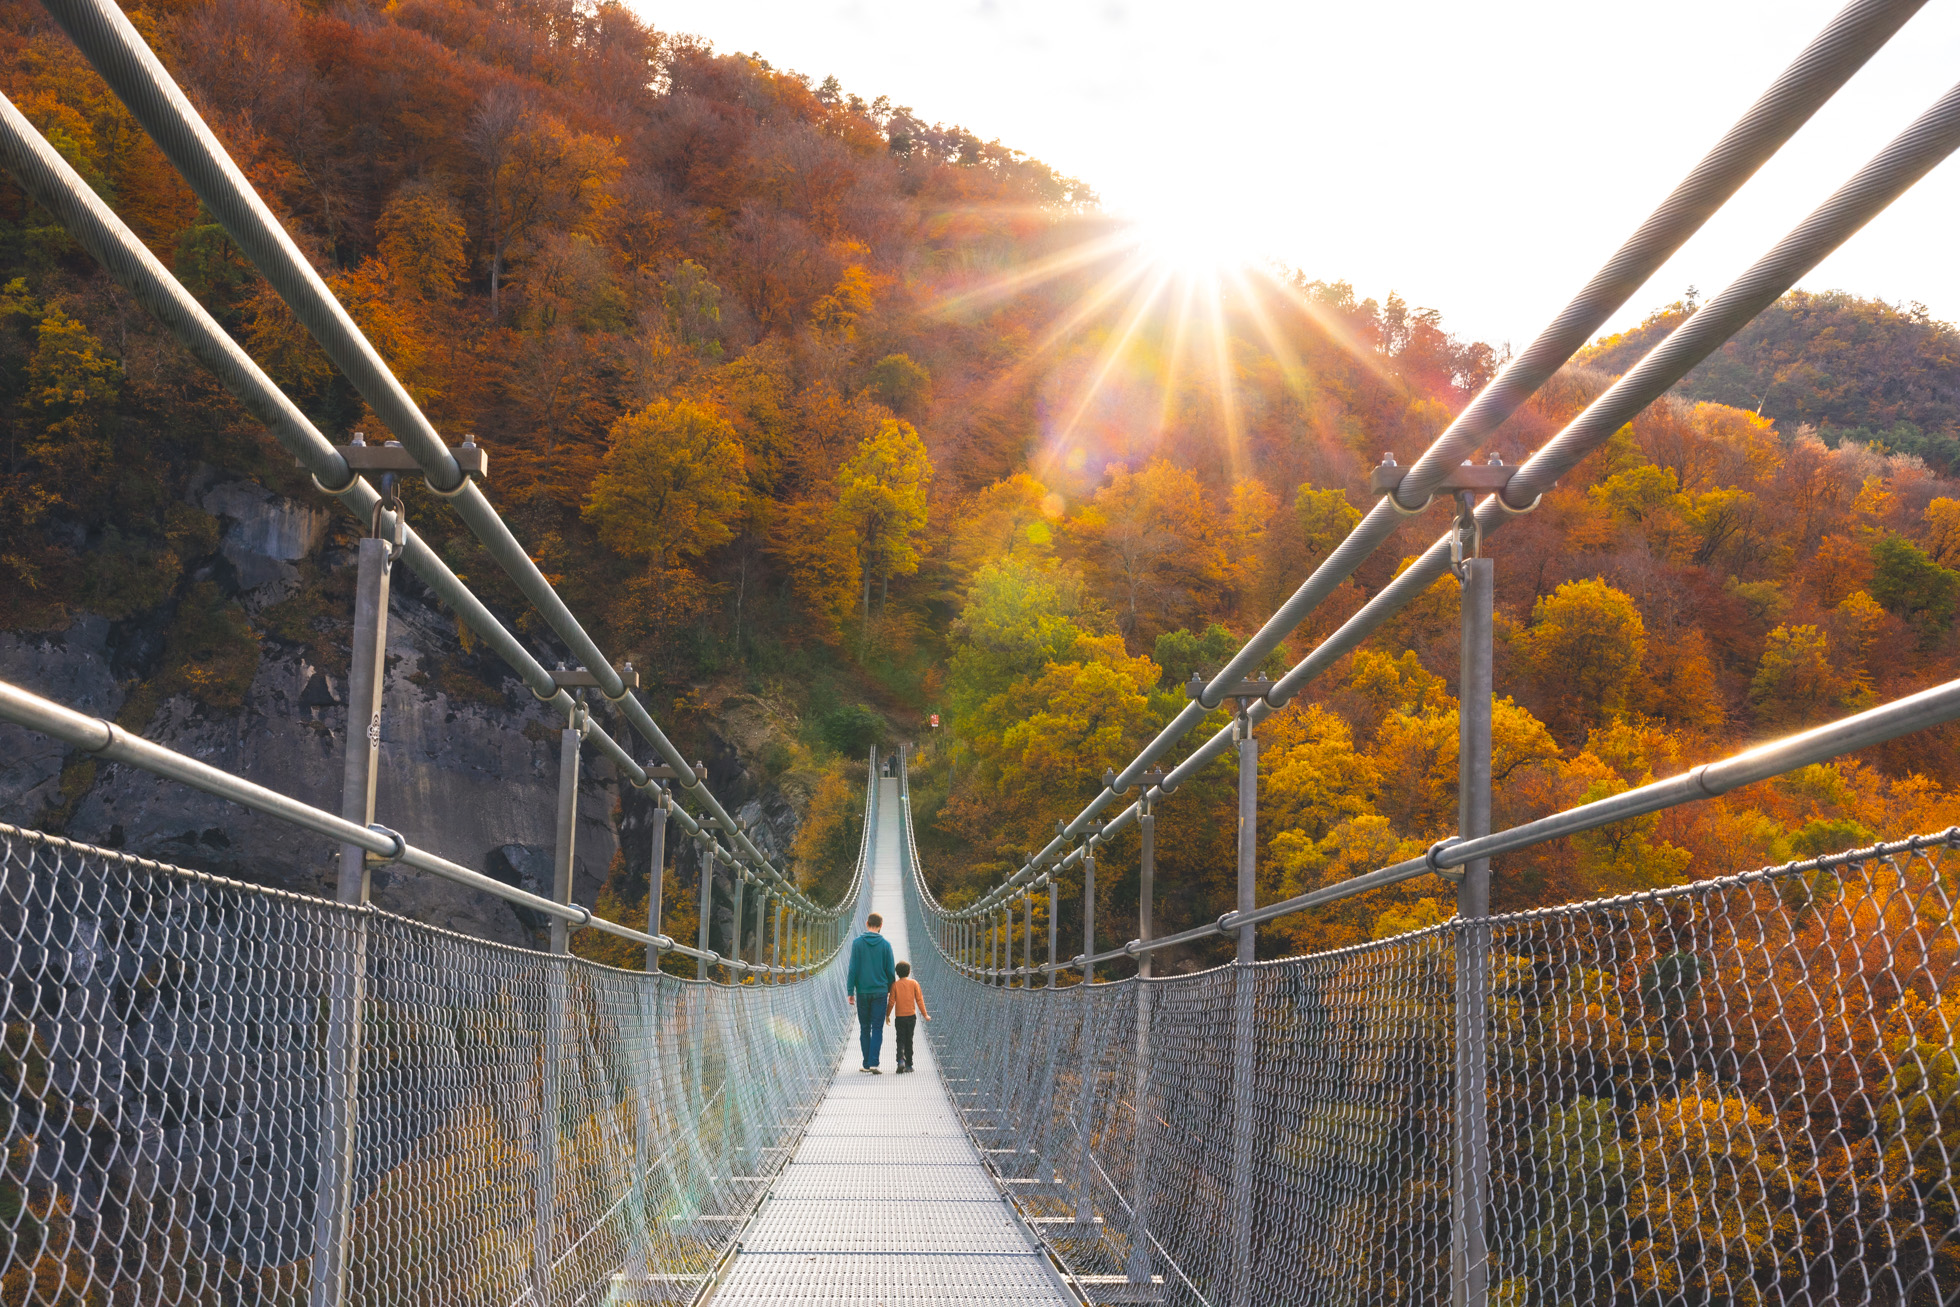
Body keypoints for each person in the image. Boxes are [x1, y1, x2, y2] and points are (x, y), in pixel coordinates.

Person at [845, 912, 896, 1073]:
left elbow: (853, 969)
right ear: (881, 925)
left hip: (863, 992)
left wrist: (850, 991)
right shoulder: (886, 945)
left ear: (867, 923)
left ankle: (866, 1064)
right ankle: (874, 1063)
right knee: (877, 1028)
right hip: (880, 992)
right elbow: (890, 971)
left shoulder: (857, 943)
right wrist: (890, 990)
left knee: (865, 1027)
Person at [885, 960, 930, 1073]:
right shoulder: (914, 983)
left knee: (900, 1039)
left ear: (897, 973)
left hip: (899, 1017)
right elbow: (919, 1000)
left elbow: (891, 1002)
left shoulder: (895, 985)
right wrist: (925, 1015)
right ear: (909, 972)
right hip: (911, 1017)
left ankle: (900, 1060)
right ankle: (909, 1064)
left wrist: (887, 1014)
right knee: (909, 1040)